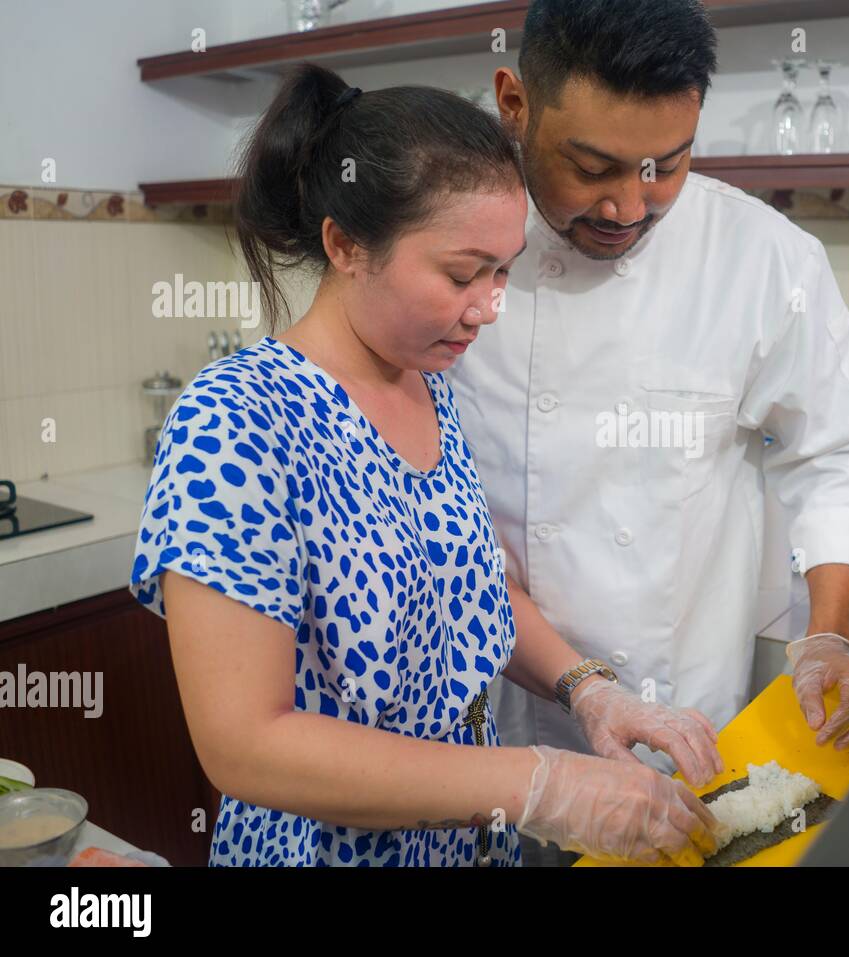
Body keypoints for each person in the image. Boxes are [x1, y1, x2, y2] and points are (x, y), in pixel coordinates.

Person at [128, 63, 722, 867]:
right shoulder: (236, 420)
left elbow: (466, 589)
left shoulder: (427, 385)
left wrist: (589, 688)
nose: (487, 306)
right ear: (345, 245)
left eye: (502, 271)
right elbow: (244, 745)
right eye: (459, 273)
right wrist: (536, 784)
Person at [449, 0, 849, 804]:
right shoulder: (448, 255)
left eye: (667, 163)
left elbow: (836, 448)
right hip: (493, 737)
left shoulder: (762, 257)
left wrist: (830, 632)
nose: (631, 205)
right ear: (514, 105)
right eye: (593, 169)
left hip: (688, 727)